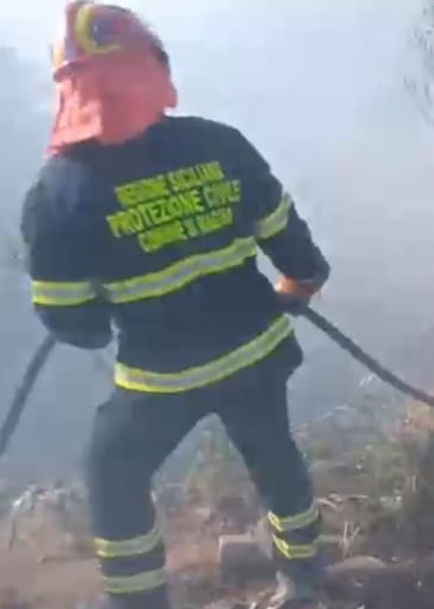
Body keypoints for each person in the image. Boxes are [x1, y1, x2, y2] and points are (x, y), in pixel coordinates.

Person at [20, 2, 330, 608]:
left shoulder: (57, 195)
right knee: (273, 454)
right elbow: (299, 255)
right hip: (258, 351)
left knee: (114, 470)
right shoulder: (219, 144)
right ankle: (304, 580)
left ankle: (139, 601)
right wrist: (292, 294)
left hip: (161, 380)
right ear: (153, 69)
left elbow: (75, 324)